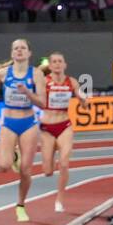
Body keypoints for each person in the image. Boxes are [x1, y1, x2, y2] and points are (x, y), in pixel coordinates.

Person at [0, 38, 46, 222]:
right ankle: (14, 156)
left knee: (26, 171)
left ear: (29, 53)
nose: (19, 51)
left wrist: (27, 92)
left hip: (28, 123)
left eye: (23, 48)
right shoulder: (3, 73)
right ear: (12, 54)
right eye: (16, 48)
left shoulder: (36, 75)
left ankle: (20, 205)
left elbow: (42, 103)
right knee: (3, 166)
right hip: (9, 123)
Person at [39, 52, 90, 213]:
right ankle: (50, 153)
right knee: (47, 171)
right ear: (50, 65)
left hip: (64, 125)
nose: (57, 64)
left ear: (65, 65)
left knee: (65, 164)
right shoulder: (44, 81)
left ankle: (59, 200)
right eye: (54, 61)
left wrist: (83, 100)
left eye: (60, 61)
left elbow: (84, 104)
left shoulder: (72, 81)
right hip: (46, 128)